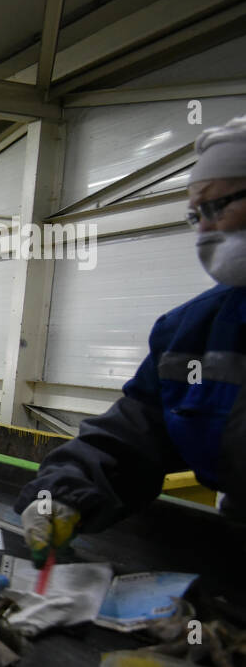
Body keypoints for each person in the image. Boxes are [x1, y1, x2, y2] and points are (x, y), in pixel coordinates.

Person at [14, 113, 246, 581]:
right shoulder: (193, 331)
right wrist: (63, 491)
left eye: (216, 206)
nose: (202, 230)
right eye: (193, 215)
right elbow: (131, 439)